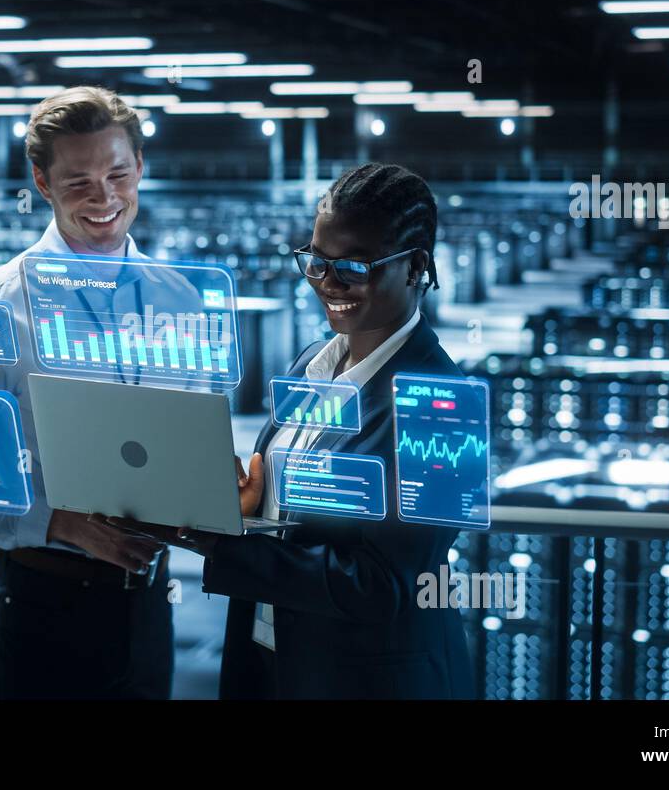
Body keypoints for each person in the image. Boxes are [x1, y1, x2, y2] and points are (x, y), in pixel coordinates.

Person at [113, 163, 475, 699]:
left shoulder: (442, 407)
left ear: (415, 266)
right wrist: (239, 508)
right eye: (317, 262)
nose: (328, 284)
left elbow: (384, 586)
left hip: (365, 681)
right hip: (271, 660)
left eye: (353, 265)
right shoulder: (311, 364)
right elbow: (299, 523)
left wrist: (219, 543)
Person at [0, 86, 179, 699]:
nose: (105, 198)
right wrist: (60, 523)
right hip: (42, 614)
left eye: (117, 173)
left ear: (141, 167)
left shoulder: (178, 297)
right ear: (42, 182)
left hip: (149, 608)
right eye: (79, 181)